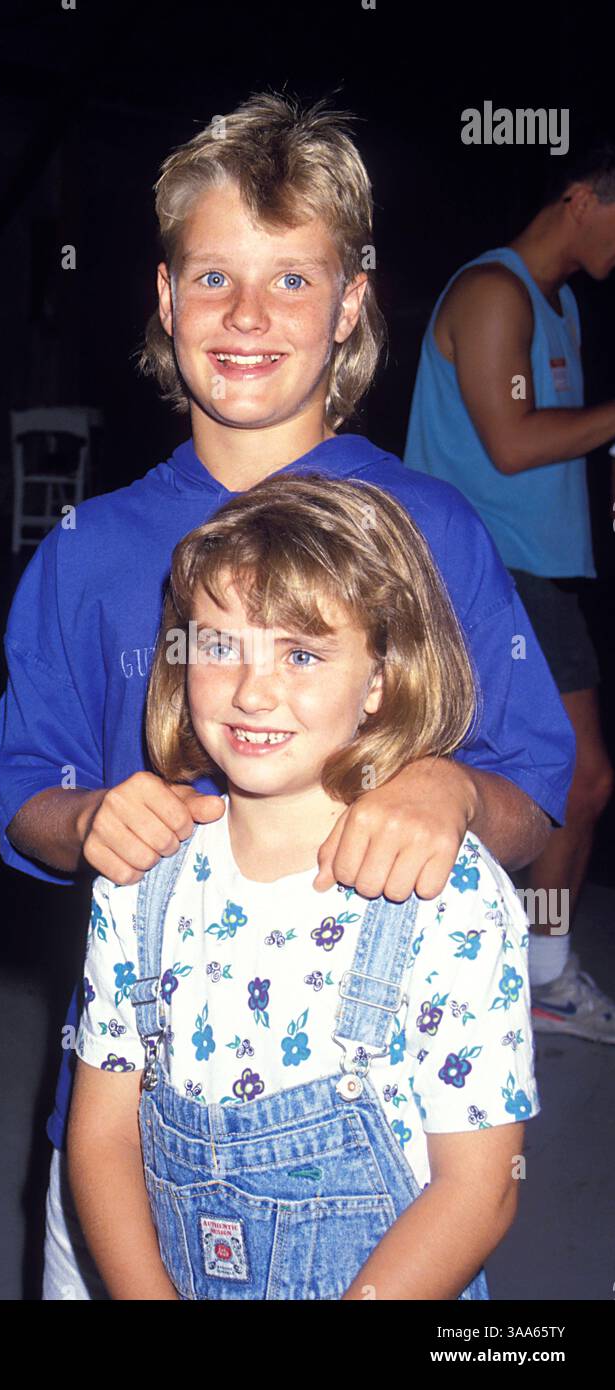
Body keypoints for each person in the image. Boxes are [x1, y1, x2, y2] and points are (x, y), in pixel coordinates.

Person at [0, 92, 573, 1300]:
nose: (248, 317)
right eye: (212, 279)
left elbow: (540, 812)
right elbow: (21, 796)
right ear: (162, 298)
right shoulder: (85, 550)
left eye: (292, 281)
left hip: (378, 1164)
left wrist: (450, 787)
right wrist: (88, 820)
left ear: (351, 303)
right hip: (126, 1138)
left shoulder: (432, 530)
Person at [67, 471, 538, 1301]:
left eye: (301, 652)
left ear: (381, 680)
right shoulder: (145, 878)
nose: (251, 690)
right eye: (219, 645)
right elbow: (102, 1136)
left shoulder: (445, 896)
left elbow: (481, 1186)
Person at [403, 136, 615, 1043]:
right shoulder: (493, 292)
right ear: (580, 197)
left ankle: (514, 969)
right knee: (579, 779)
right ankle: (537, 973)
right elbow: (512, 443)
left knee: (522, 783)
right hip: (489, 574)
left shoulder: (554, 303)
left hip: (533, 574)